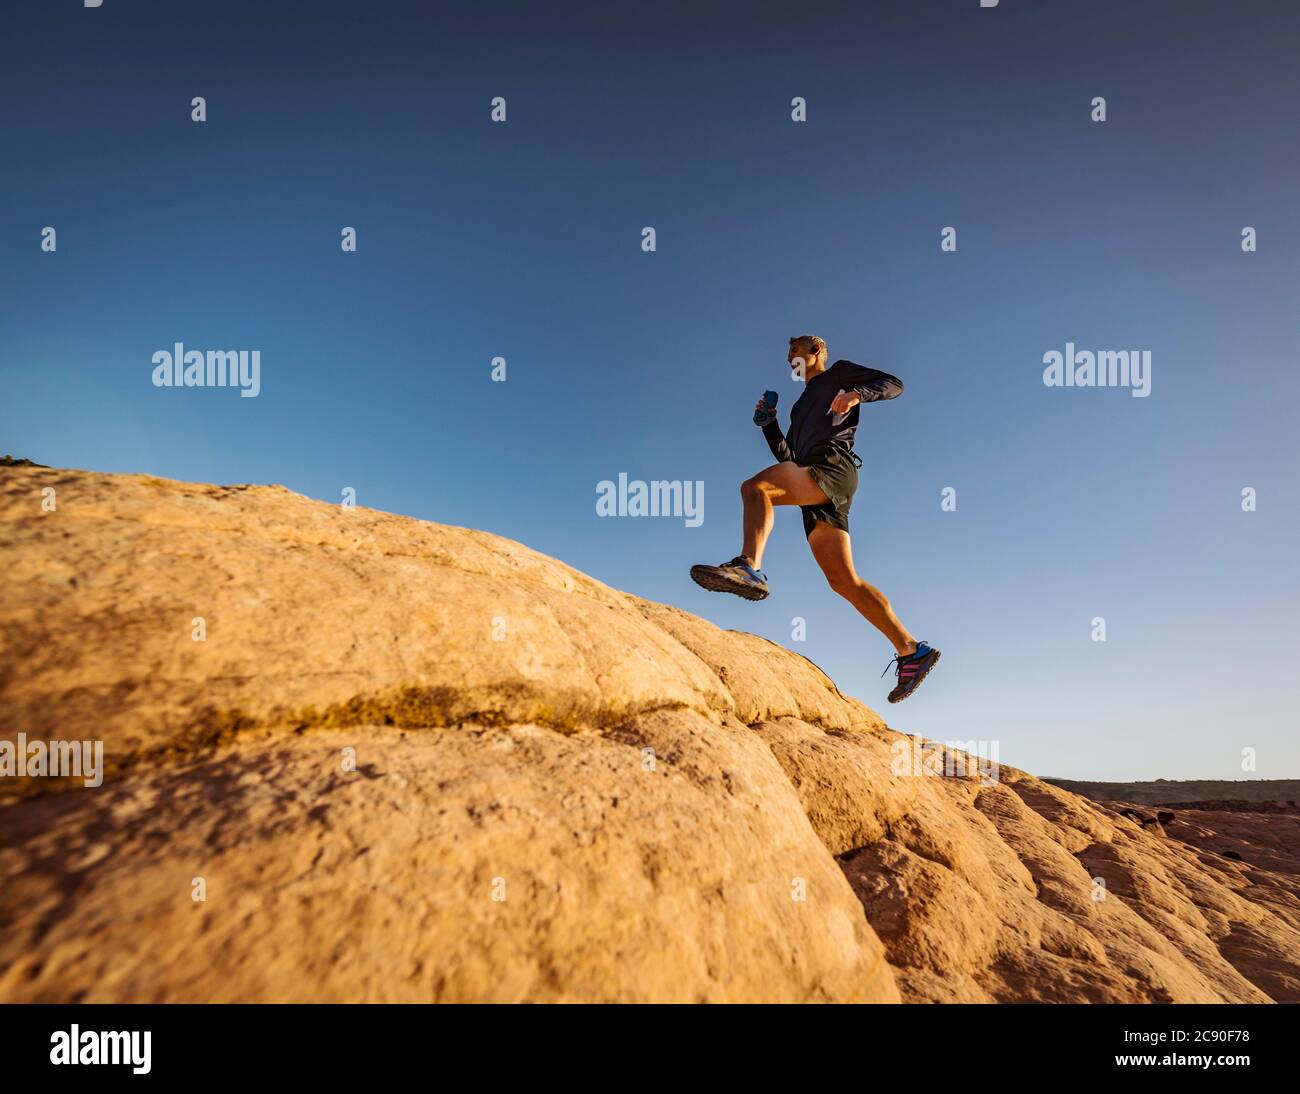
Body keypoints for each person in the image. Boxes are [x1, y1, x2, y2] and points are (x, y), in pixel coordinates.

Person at [690, 335, 940, 703]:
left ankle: (750, 567)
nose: (790, 355)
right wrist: (768, 424)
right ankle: (911, 651)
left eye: (796, 349)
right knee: (844, 581)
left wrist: (857, 394)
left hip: (833, 467)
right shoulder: (801, 404)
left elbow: (894, 385)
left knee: (755, 489)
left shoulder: (838, 374)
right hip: (814, 473)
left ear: (816, 352)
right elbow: (788, 456)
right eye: (787, 352)